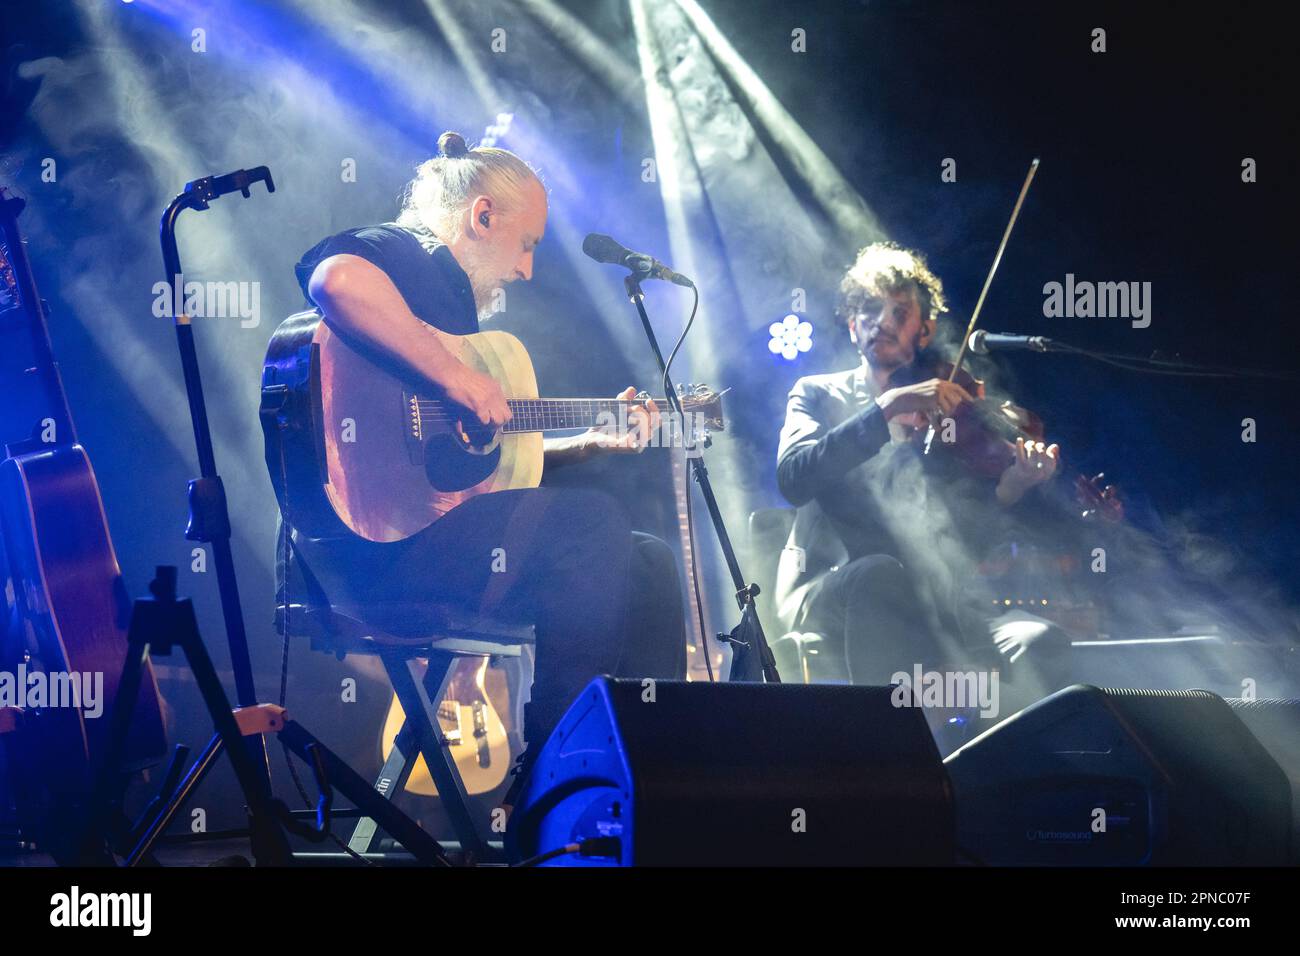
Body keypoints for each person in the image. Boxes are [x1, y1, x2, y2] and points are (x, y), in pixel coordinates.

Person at [279, 131, 686, 793]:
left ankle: (644, 774)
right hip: (363, 553)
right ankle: (554, 775)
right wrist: (455, 377)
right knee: (590, 526)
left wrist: (589, 444)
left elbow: (487, 478)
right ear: (483, 216)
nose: (527, 270)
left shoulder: (451, 317)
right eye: (527, 244)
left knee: (649, 565)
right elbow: (335, 280)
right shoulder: (412, 252)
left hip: (425, 540)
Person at [774, 241, 1064, 692]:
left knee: (1040, 639)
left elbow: (958, 541)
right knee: (881, 574)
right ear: (852, 325)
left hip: (936, 599)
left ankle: (1003, 760)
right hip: (832, 585)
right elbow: (793, 478)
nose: (882, 322)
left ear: (924, 333)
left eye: (899, 313)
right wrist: (886, 407)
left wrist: (1013, 485)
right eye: (870, 309)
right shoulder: (816, 393)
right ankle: (891, 752)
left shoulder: (944, 411)